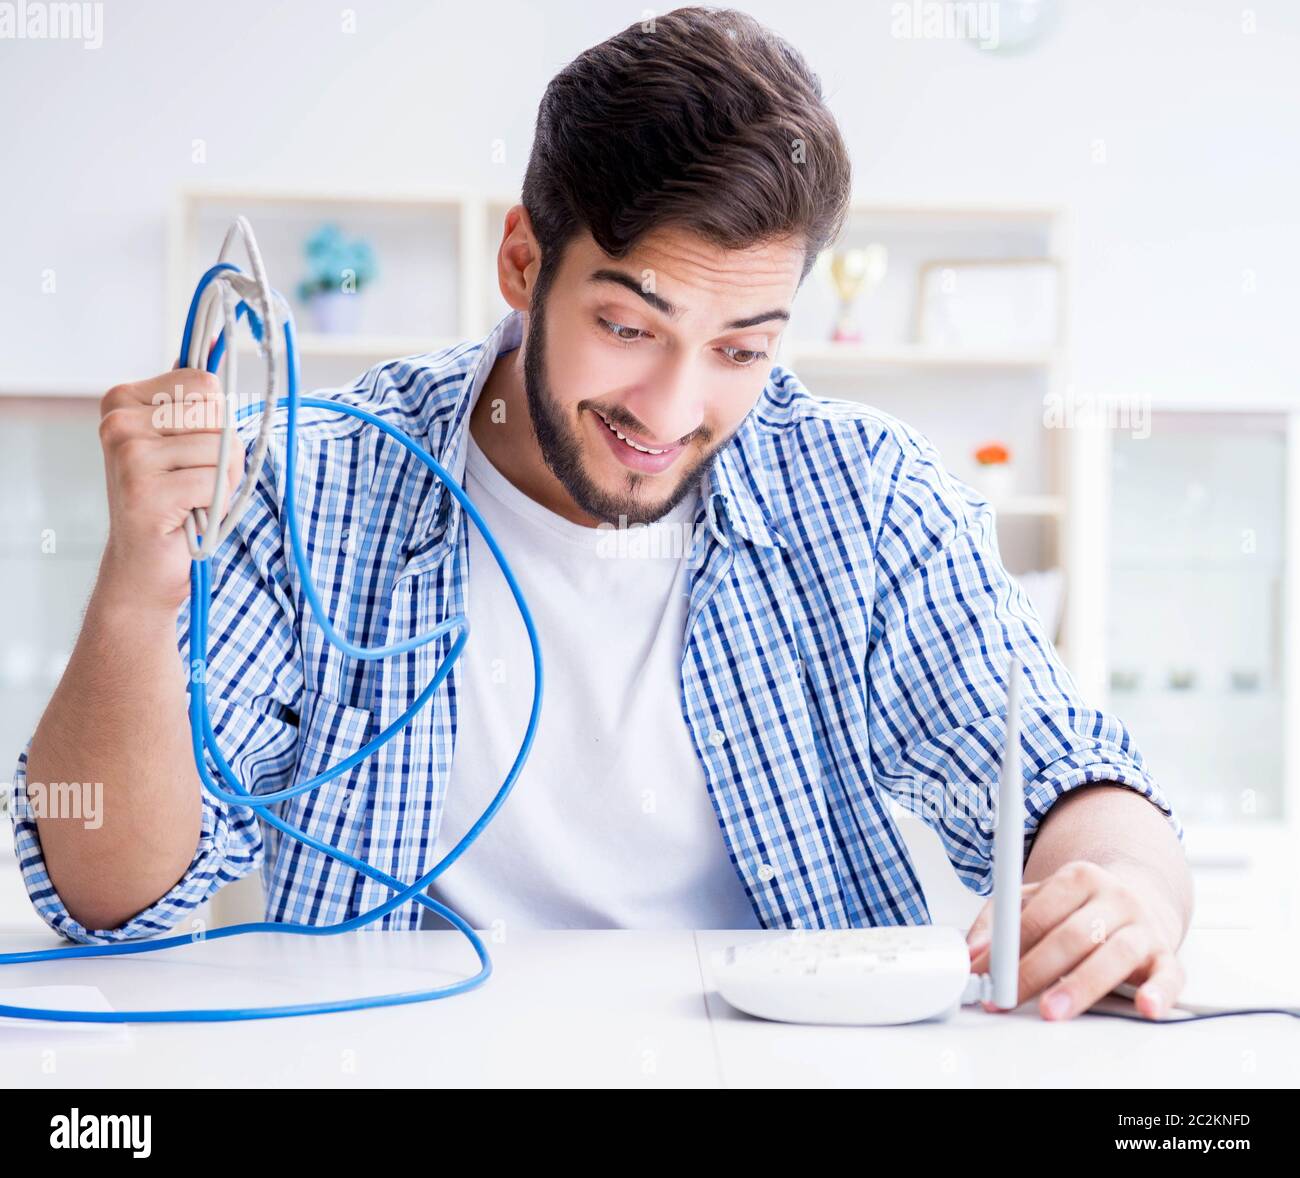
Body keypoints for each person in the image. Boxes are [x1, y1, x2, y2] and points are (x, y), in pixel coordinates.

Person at [13, 7, 1191, 1021]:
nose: (671, 409)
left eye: (739, 348)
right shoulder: (313, 485)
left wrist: (1123, 886)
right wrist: (137, 587)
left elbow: (1065, 778)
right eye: (629, 328)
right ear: (523, 262)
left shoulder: (868, 496)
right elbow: (110, 899)